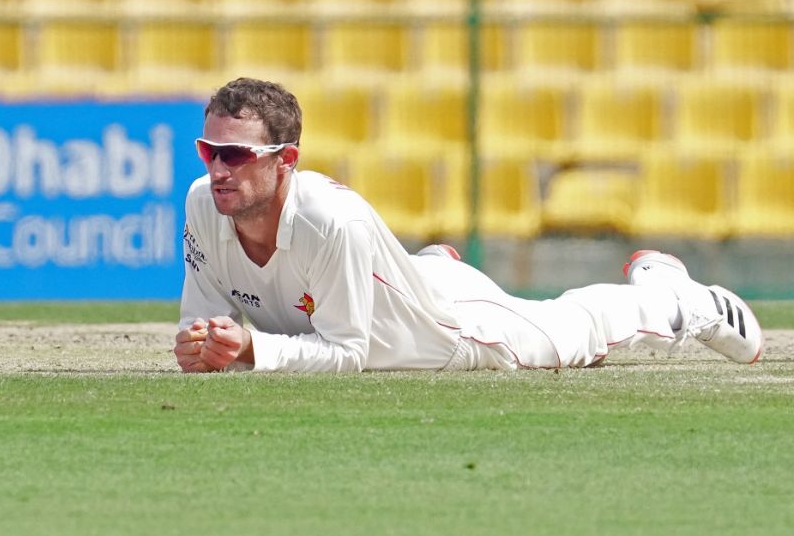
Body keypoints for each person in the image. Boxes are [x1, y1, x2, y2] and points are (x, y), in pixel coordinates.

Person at [174, 77, 764, 373]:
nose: (218, 169)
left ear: (287, 160)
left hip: (446, 335)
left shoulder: (333, 221)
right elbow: (202, 325)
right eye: (209, 151)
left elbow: (349, 354)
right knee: (411, 282)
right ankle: (430, 270)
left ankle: (677, 299)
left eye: (237, 154)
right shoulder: (203, 203)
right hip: (401, 290)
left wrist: (251, 350)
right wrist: (202, 345)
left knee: (569, 336)